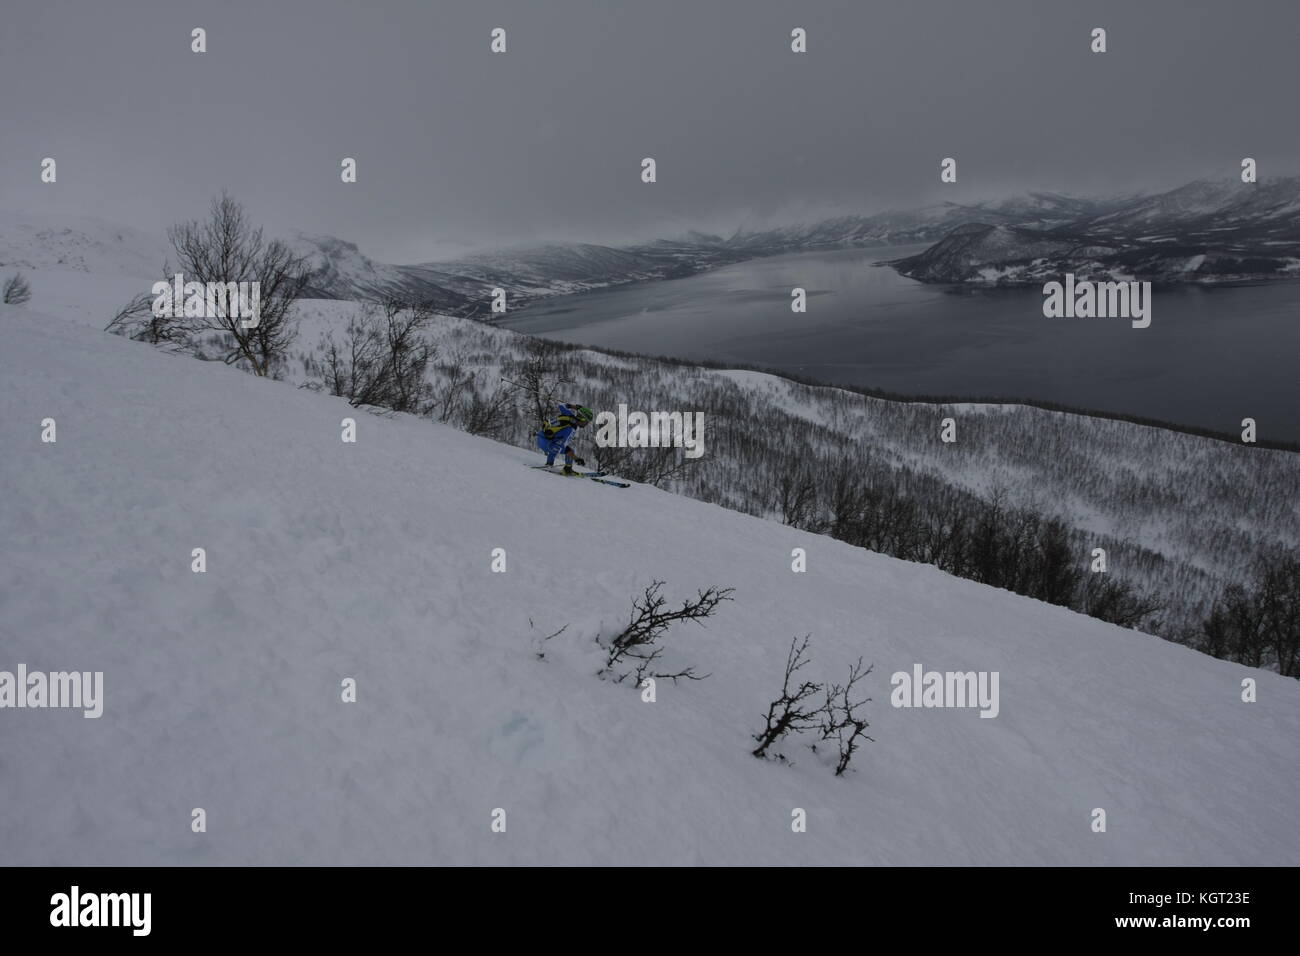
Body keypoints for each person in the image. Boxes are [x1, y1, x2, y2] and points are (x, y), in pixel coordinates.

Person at [536, 403, 595, 474]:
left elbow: (561, 406)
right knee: (568, 450)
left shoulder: (569, 414)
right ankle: (567, 469)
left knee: (558, 443)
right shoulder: (571, 430)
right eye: (586, 421)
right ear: (581, 418)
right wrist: (576, 459)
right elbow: (560, 447)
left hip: (540, 435)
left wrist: (575, 407)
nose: (586, 424)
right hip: (546, 444)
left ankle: (552, 465)